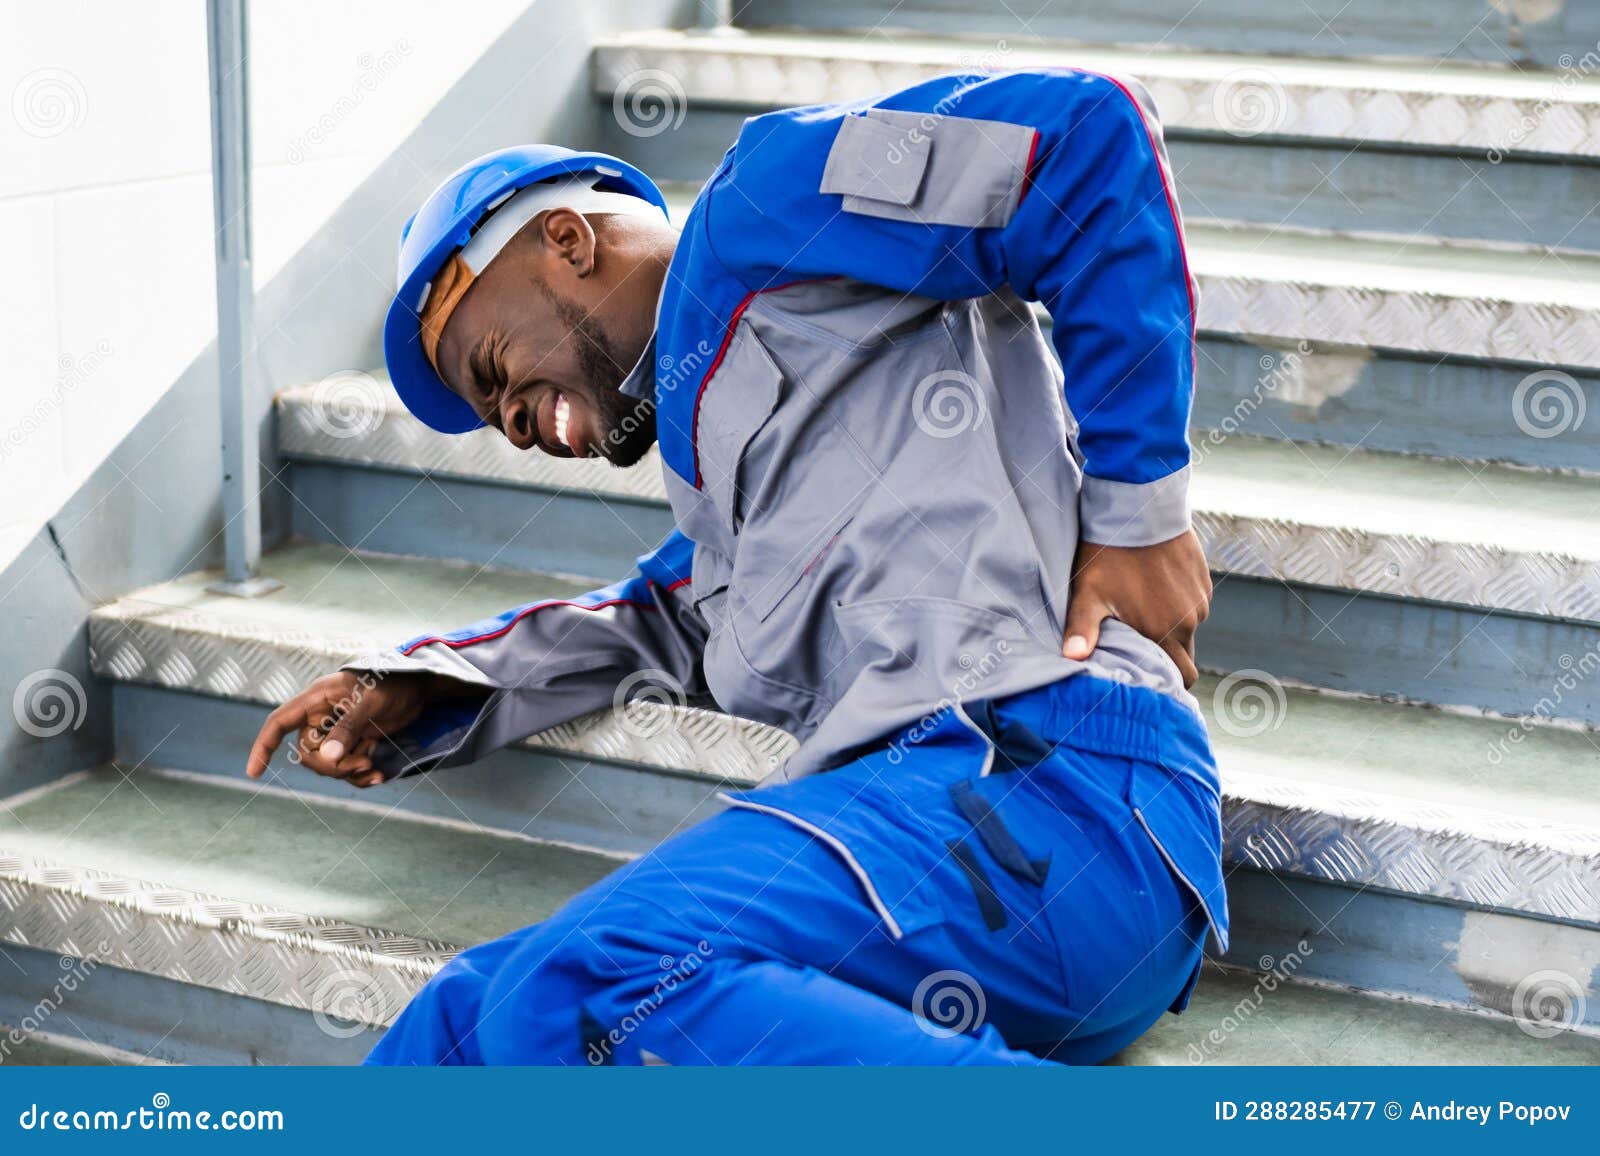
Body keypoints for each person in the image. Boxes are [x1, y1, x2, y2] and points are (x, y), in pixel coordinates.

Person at [247, 67, 1225, 1065]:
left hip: (1054, 790)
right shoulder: (721, 507)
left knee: (596, 974)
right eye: (492, 416)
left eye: (493, 365)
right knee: (459, 1022)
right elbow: (652, 618)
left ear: (568, 242)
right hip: (925, 864)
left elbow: (1080, 140)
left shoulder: (762, 204)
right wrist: (426, 683)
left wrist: (1136, 511)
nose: (508, 419)